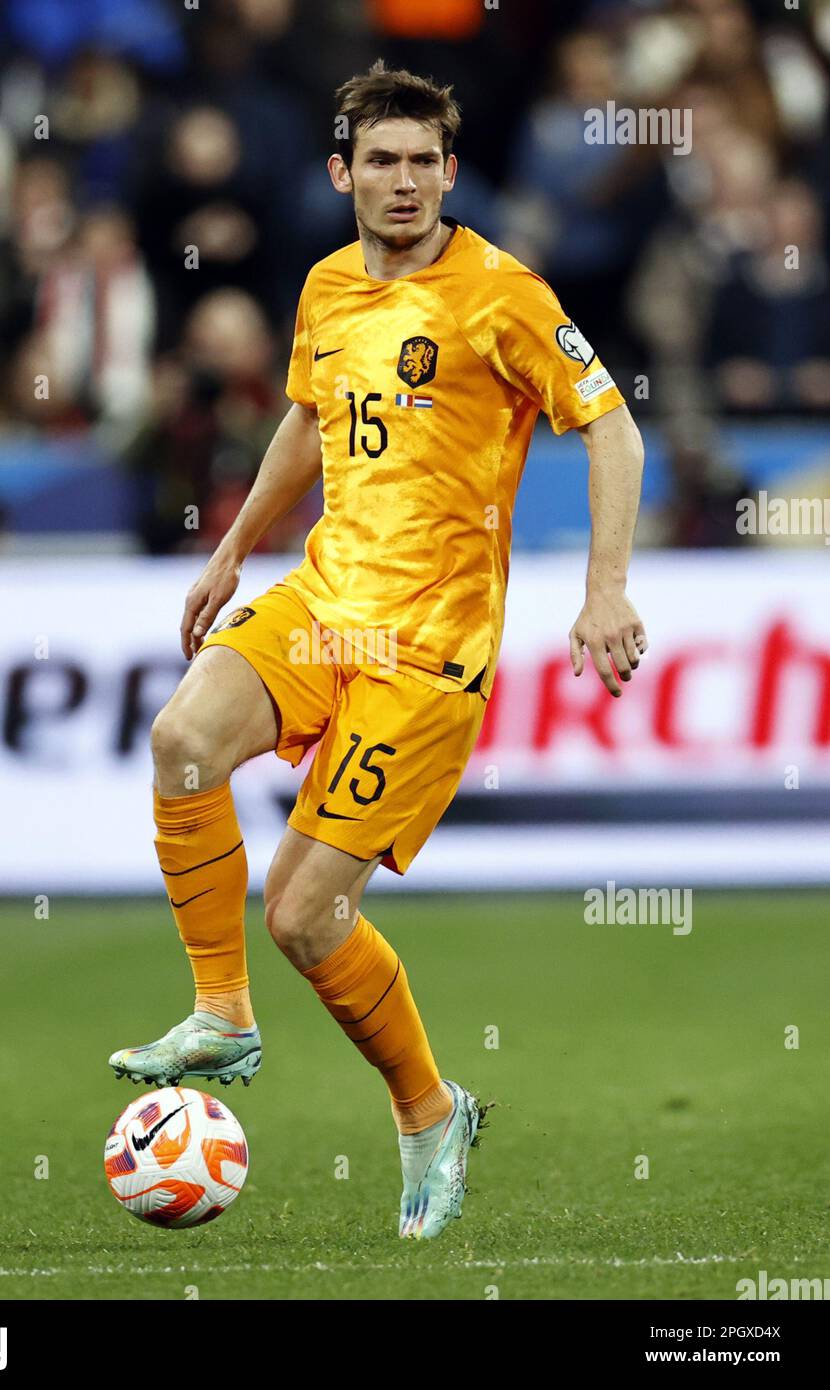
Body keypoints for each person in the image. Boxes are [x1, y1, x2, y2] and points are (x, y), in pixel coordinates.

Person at [109, 61, 648, 1239]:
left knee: (304, 914)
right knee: (182, 738)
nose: (404, 183)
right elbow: (307, 420)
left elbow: (610, 425)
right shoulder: (323, 286)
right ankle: (221, 1012)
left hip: (429, 650)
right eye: (382, 161)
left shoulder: (501, 294)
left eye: (424, 162)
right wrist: (232, 548)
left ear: (450, 173)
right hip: (323, 600)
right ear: (341, 172)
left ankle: (427, 1109)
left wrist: (602, 588)